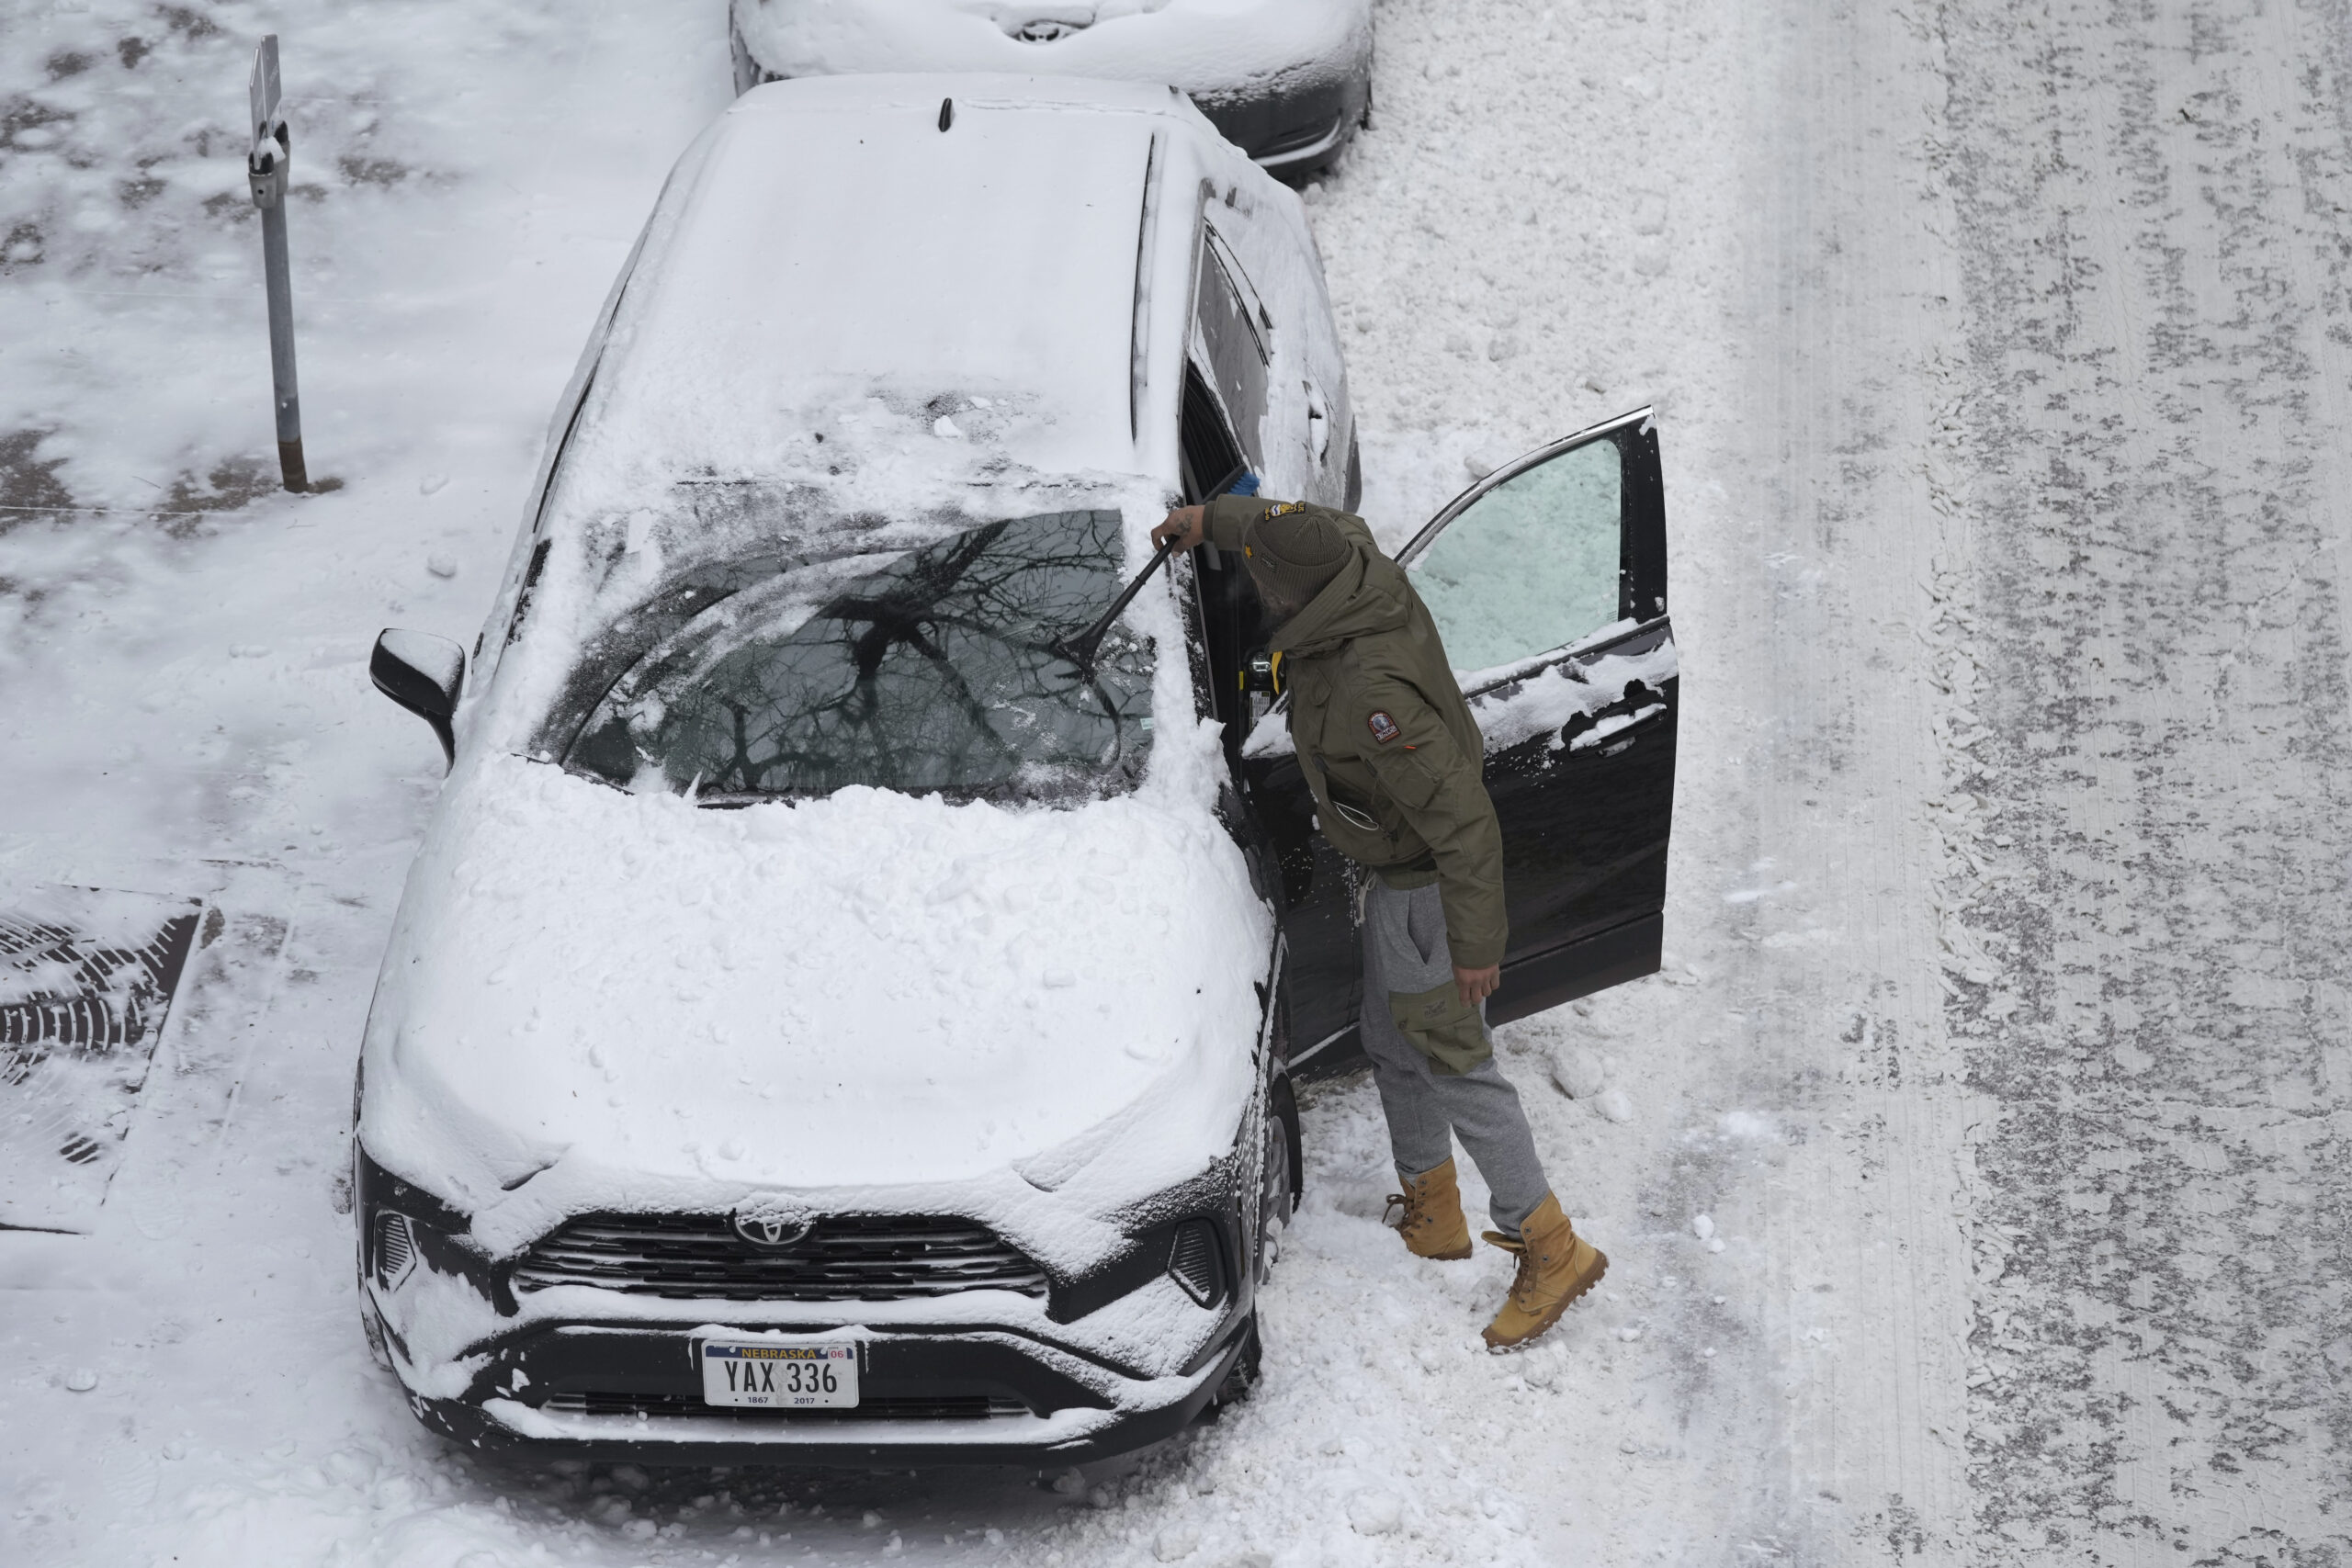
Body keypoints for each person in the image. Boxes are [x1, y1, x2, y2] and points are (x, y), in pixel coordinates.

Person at [1152, 492, 1609, 1349]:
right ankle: (1433, 1208)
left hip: (1428, 887)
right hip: (1395, 879)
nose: (1256, 584)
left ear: (1294, 595)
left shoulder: (1371, 691)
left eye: (1263, 580)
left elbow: (1465, 819)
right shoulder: (1351, 565)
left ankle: (1552, 1246)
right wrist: (1210, 521)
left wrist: (1474, 946)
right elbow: (1290, 525)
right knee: (1390, 1036)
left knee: (1455, 1061)